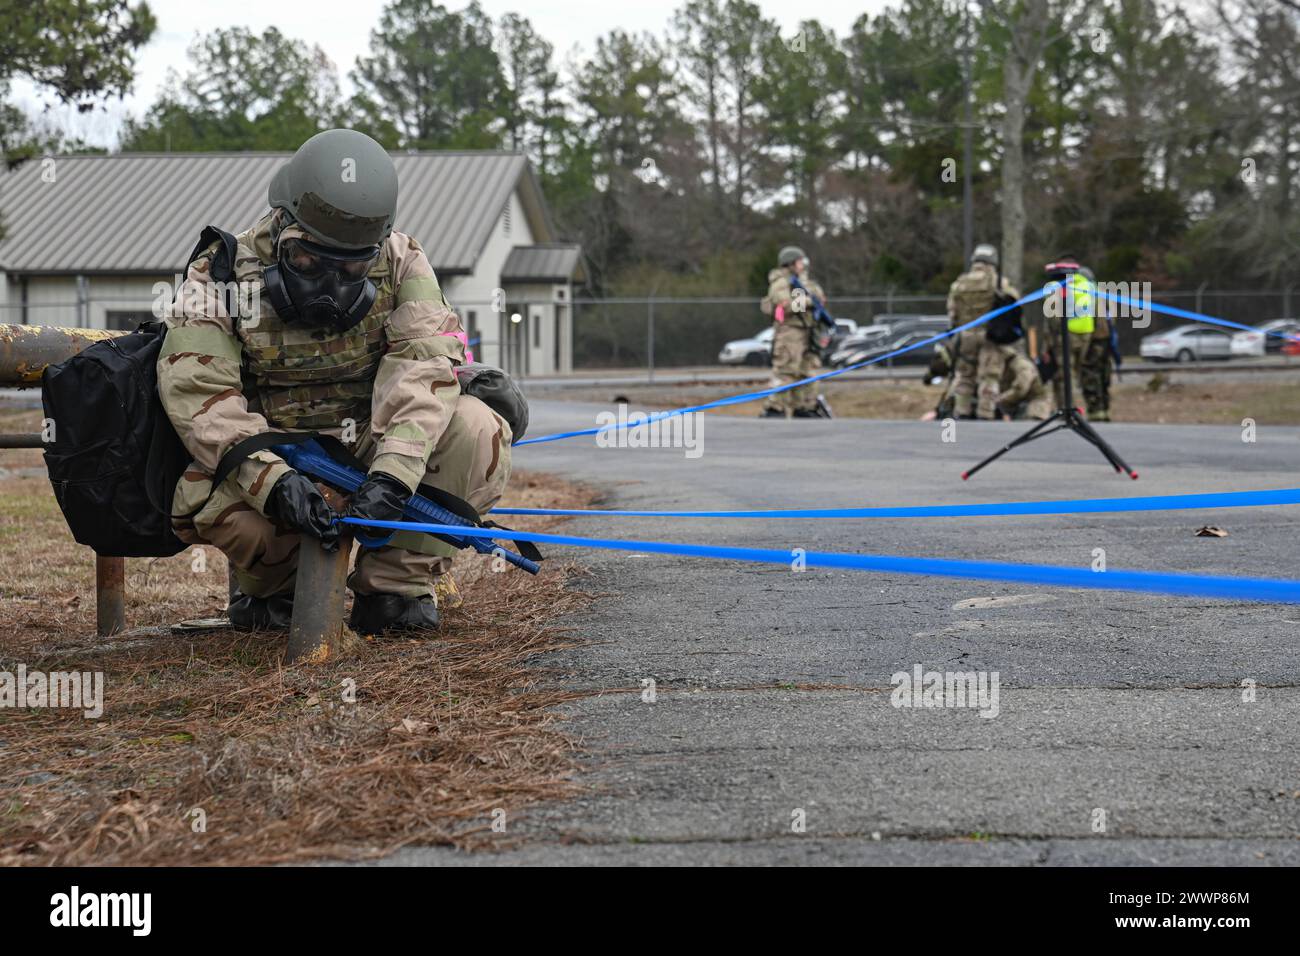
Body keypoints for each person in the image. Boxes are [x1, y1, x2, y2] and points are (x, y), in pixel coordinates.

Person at [158, 129, 513, 634]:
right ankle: (273, 588)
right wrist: (272, 481)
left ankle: (396, 588)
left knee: (478, 429)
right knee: (233, 507)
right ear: (284, 224)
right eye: (309, 261)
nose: (331, 284)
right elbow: (200, 396)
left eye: (351, 267)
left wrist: (393, 475)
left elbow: (424, 368)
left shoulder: (401, 261)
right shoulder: (223, 273)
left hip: (368, 441)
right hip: (272, 448)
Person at [945, 244, 1020, 420]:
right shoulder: (999, 282)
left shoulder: (959, 283)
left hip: (966, 336)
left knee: (965, 376)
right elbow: (1014, 303)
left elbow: (952, 311)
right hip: (990, 336)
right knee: (990, 377)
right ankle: (985, 415)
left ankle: (962, 412)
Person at [760, 246, 826, 418]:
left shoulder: (803, 282)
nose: (802, 265)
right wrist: (810, 301)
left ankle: (804, 406)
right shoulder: (781, 283)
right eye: (799, 261)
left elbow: (820, 297)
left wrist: (812, 298)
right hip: (790, 332)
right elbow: (786, 304)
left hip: (808, 331)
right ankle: (775, 407)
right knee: (786, 370)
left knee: (807, 370)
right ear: (789, 263)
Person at [1038, 255, 1096, 414]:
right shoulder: (1088, 285)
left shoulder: (1058, 286)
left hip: (1067, 334)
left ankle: (1068, 409)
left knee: (1064, 375)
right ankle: (1069, 408)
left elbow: (1052, 318)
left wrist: (1047, 344)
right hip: (1085, 334)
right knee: (1074, 373)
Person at [1076, 265, 1114, 421]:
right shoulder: (1102, 294)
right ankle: (1104, 409)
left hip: (1093, 339)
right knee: (1103, 373)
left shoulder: (1086, 294)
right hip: (1106, 340)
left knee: (1090, 374)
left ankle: (1095, 410)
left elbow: (1086, 318)